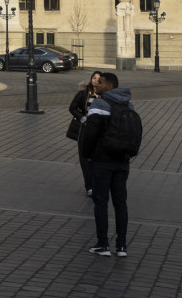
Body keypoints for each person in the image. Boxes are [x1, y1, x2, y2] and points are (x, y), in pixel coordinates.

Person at [79, 72, 133, 257]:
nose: (96, 85)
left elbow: (90, 133)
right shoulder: (128, 104)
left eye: (100, 82)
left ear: (109, 86)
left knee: (101, 203)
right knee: (120, 203)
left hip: (102, 161)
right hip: (122, 161)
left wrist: (86, 155)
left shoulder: (99, 104)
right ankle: (122, 246)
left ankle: (103, 244)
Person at [69, 72, 101, 195]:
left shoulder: (104, 95)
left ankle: (97, 183)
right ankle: (90, 187)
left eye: (98, 79)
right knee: (84, 158)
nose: (95, 81)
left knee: (96, 158)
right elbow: (72, 108)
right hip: (85, 130)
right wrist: (83, 118)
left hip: (99, 131)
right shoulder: (83, 93)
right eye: (94, 78)